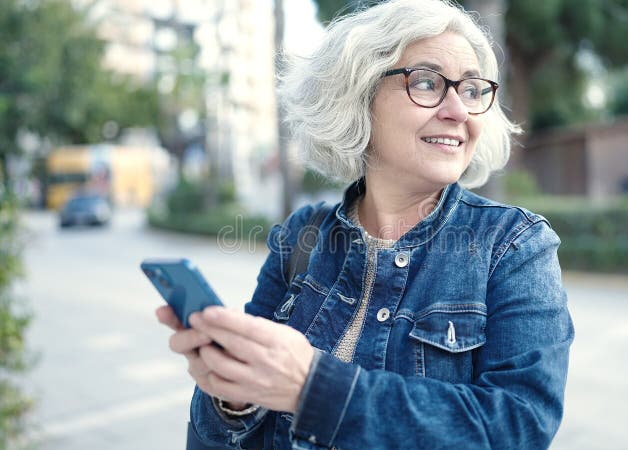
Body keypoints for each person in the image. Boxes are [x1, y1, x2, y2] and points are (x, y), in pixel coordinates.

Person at [156, 0, 574, 448]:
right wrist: (231, 397)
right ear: (358, 96)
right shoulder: (302, 237)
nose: (458, 110)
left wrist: (312, 388)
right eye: (428, 83)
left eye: (472, 90)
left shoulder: (513, 246)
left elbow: (518, 427)